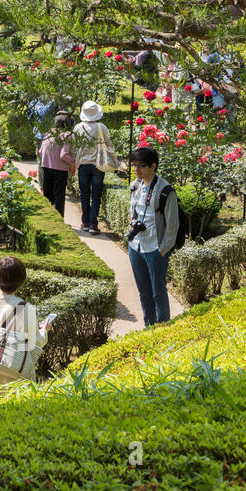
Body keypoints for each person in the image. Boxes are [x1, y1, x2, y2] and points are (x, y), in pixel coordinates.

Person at [0, 256, 51, 391]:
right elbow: (36, 342)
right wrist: (45, 330)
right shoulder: (25, 308)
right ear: (22, 281)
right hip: (13, 374)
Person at [126, 146, 181, 327]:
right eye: (134, 165)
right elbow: (133, 212)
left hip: (155, 248)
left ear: (153, 166)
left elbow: (172, 225)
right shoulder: (135, 185)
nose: (136, 169)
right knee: (144, 292)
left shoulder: (165, 191)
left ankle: (163, 328)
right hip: (136, 246)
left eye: (141, 165)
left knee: (158, 292)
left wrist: (163, 250)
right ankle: (149, 328)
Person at [72, 100, 117, 235]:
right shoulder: (101, 127)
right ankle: (93, 224)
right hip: (98, 165)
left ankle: (85, 222)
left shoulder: (78, 127)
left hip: (83, 165)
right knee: (96, 195)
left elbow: (74, 146)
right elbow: (108, 145)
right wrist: (115, 161)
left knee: (84, 195)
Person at [37, 111, 76, 217]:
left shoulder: (49, 132)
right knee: (59, 196)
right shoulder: (67, 135)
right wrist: (73, 162)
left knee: (48, 195)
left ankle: (48, 219)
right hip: (60, 170)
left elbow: (40, 151)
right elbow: (63, 155)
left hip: (46, 167)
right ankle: (59, 220)